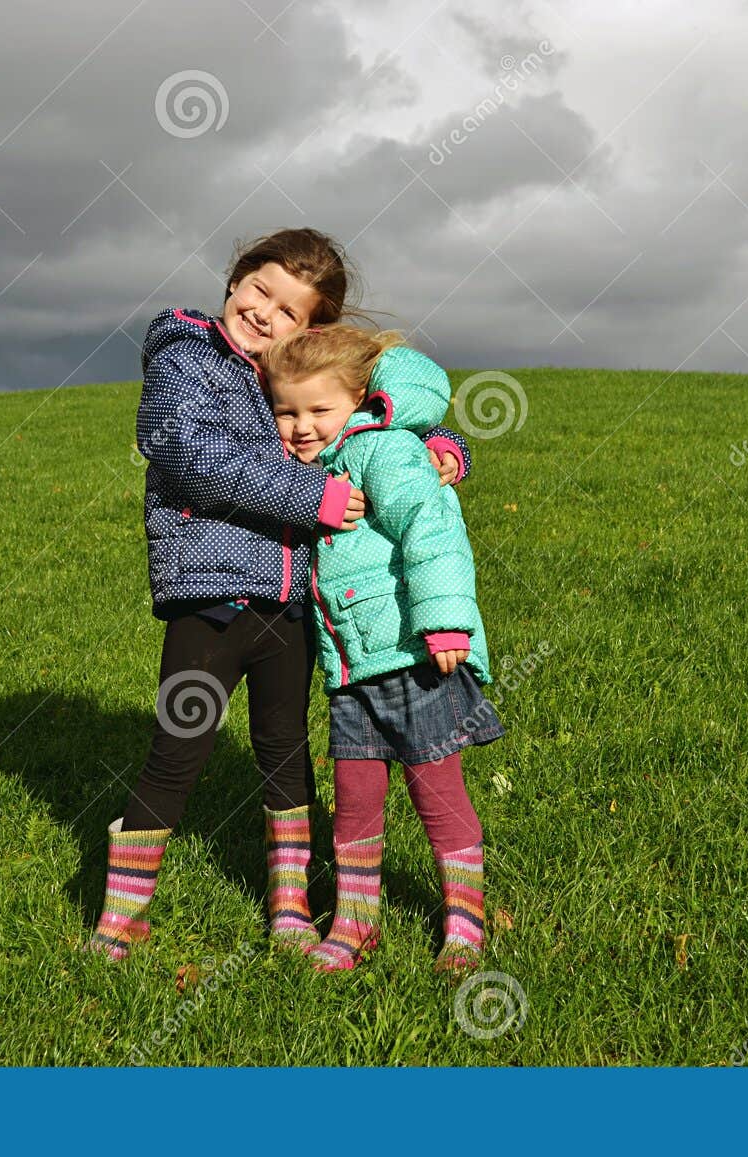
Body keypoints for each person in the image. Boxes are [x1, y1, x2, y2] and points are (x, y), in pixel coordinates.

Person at [86, 228, 471, 960]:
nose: (265, 312)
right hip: (213, 599)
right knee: (179, 748)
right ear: (234, 282)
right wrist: (311, 495)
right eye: (260, 289)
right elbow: (192, 456)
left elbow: (371, 409)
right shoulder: (186, 358)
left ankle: (291, 906)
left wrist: (444, 448)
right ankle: (120, 919)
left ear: (310, 329)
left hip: (293, 608)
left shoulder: (285, 378)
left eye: (288, 310)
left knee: (285, 750)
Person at [263, 324, 503, 974]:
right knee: (355, 804)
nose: (301, 425)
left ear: (361, 399)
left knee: (438, 796)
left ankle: (464, 926)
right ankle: (354, 925)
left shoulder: (382, 452)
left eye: (319, 409)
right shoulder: (316, 471)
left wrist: (447, 622)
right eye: (286, 410)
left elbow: (431, 528)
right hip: (353, 675)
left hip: (415, 661)